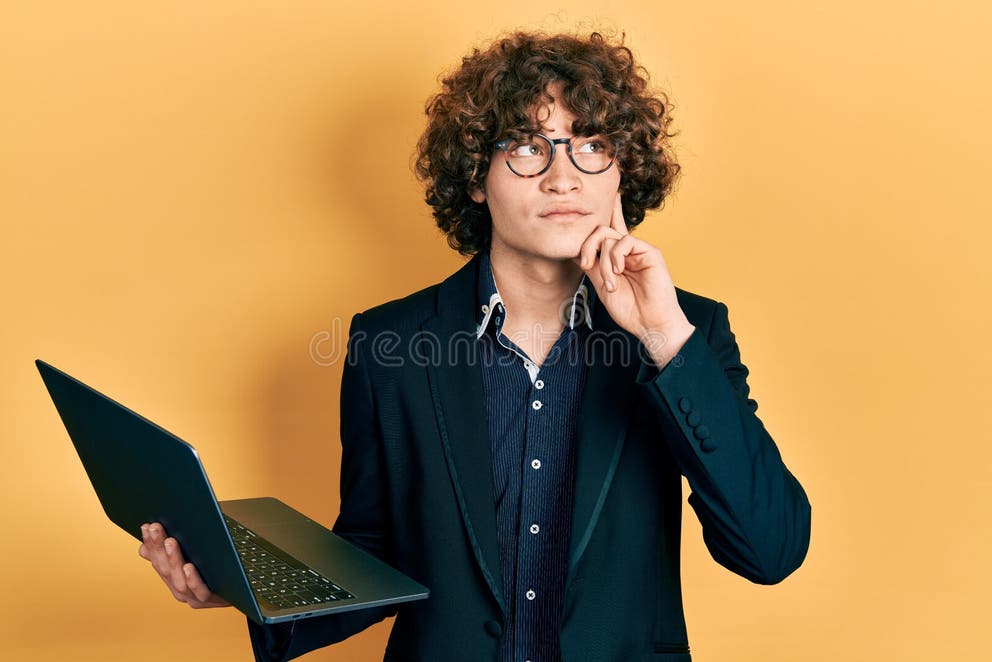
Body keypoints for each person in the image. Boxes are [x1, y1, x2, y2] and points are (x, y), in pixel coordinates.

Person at [138, 31, 811, 662]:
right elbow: (377, 553)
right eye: (525, 146)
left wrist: (662, 336)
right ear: (473, 176)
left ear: (622, 174)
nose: (562, 176)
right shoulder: (388, 344)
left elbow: (770, 547)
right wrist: (243, 590)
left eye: (591, 145)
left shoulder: (689, 334)